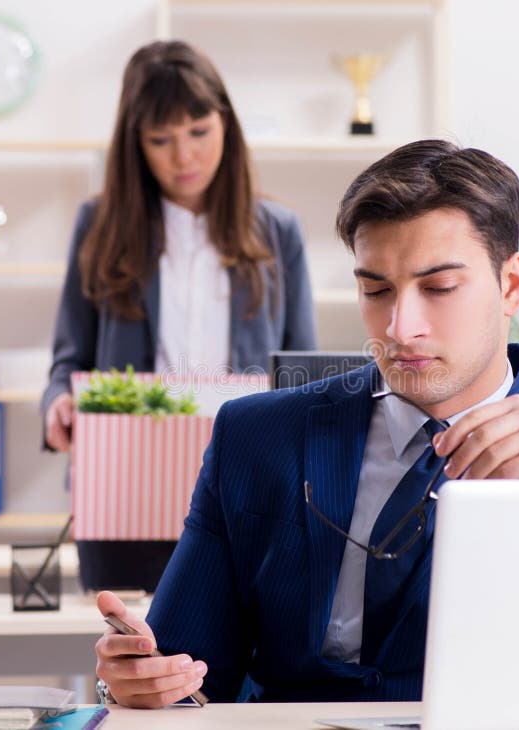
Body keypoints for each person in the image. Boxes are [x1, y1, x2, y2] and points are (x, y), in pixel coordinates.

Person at [94, 139, 519, 706]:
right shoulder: (254, 436)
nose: (401, 328)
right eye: (376, 290)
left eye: (440, 287)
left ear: (511, 285)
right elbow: (187, 671)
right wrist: (143, 680)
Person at [40, 40, 316, 592]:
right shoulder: (99, 224)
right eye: (160, 140)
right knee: (130, 662)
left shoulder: (276, 229)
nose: (183, 157)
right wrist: (59, 403)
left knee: (235, 665)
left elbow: (299, 371)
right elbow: (69, 356)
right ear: (134, 144)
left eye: (198, 132)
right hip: (124, 485)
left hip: (247, 487)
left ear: (226, 125)